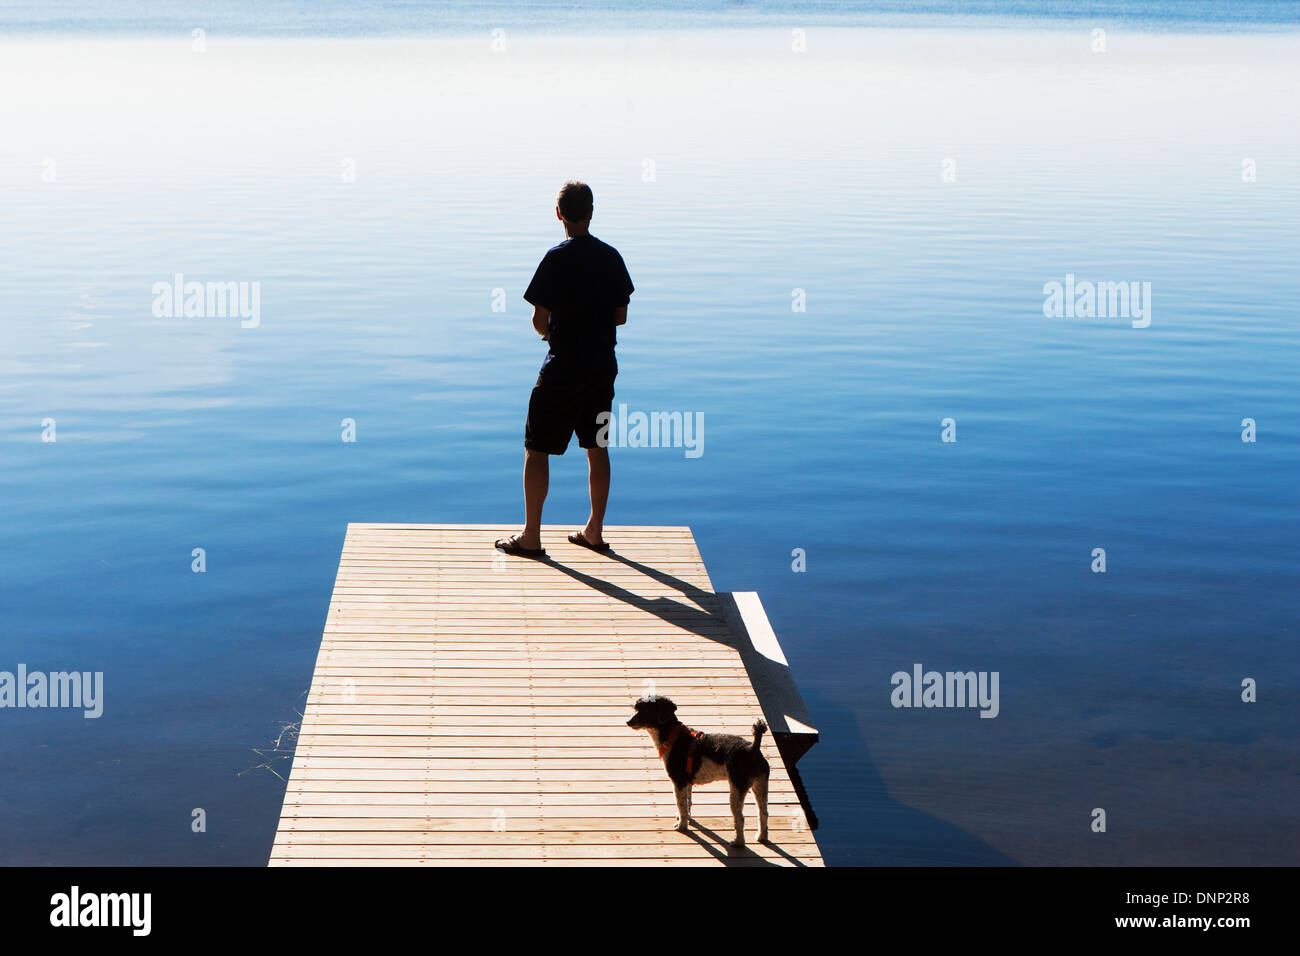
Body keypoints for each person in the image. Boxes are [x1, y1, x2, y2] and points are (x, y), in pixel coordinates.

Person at [495, 180, 634, 558]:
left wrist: (557, 328)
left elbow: (540, 322)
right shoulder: (612, 258)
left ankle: (531, 537)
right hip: (601, 367)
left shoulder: (555, 259)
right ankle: (594, 531)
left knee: (536, 449)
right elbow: (620, 317)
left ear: (559, 214)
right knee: (597, 446)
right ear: (591, 212)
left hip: (561, 369)